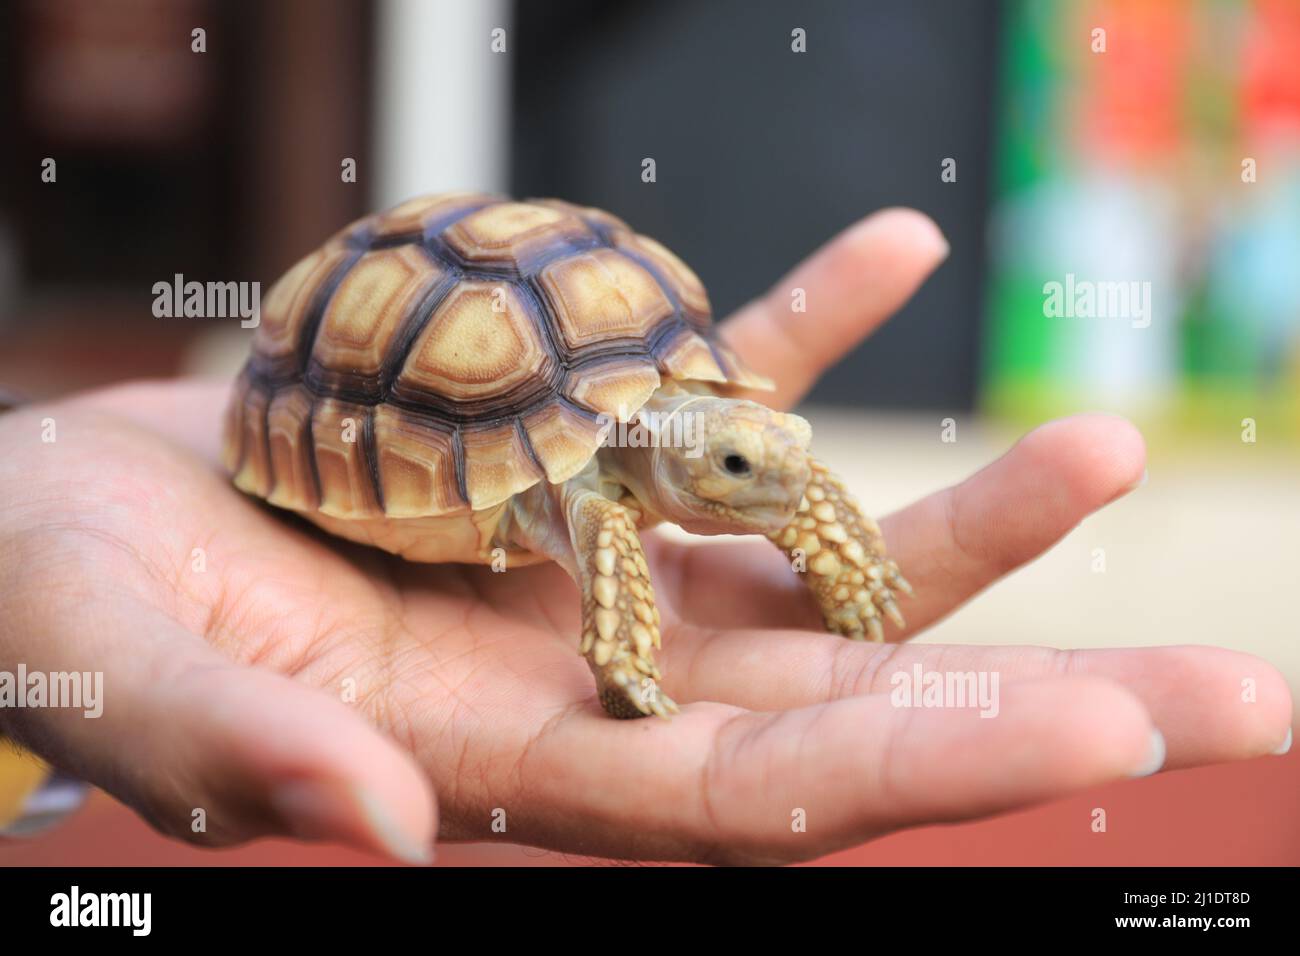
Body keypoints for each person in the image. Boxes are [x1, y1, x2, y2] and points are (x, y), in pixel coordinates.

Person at [0, 210, 1290, 864]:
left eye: (741, 454)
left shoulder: (715, 423)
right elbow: (606, 512)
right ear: (674, 446)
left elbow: (780, 468)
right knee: (605, 519)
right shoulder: (604, 490)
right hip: (367, 375)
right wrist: (632, 671)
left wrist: (841, 563)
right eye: (724, 465)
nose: (756, 477)